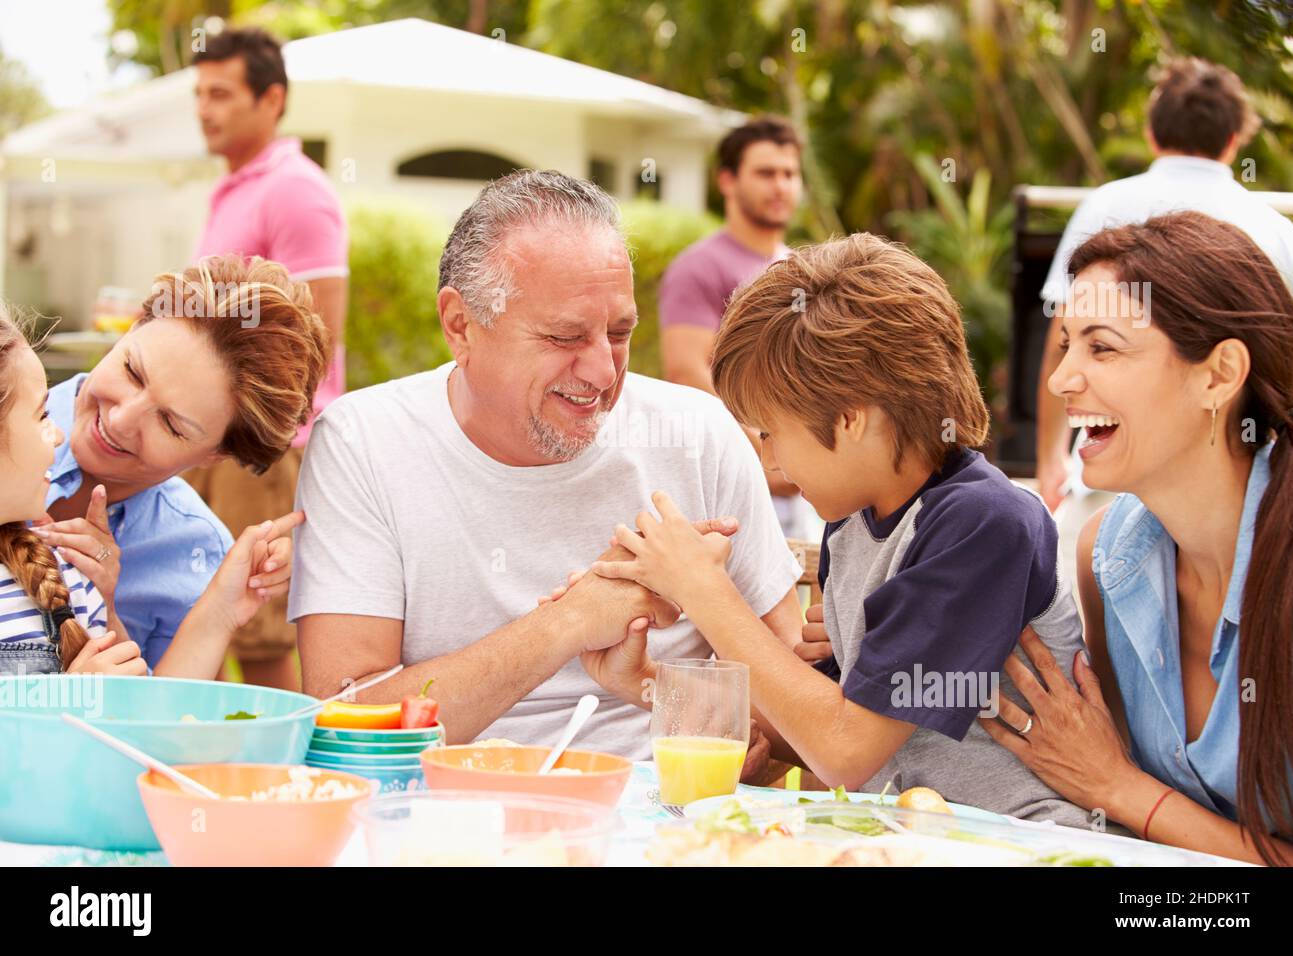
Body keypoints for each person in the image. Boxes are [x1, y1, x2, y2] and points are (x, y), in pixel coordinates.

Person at [290, 170, 804, 761]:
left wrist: (691, 630)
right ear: (461, 325)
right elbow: (347, 728)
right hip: (446, 817)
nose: (604, 373)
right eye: (565, 337)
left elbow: (801, 723)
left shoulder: (697, 432)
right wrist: (569, 621)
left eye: (619, 332)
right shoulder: (364, 442)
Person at [580, 232, 1090, 825]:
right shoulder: (854, 523)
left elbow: (845, 751)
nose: (769, 460)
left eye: (771, 431)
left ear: (849, 420)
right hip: (905, 836)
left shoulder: (984, 523)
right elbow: (813, 734)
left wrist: (705, 590)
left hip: (1024, 837)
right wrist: (640, 678)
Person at [984, 212, 1293, 865]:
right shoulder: (1106, 557)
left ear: (1218, 375)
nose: (1061, 379)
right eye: (1065, 343)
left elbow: (1116, 787)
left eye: (1101, 348)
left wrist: (1120, 789)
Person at [33, 255, 328, 676]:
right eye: (132, 371)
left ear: (215, 455)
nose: (120, 420)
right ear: (133, 328)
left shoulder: (191, 550)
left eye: (170, 424)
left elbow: (167, 728)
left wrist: (104, 611)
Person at [1034, 57, 1293, 514]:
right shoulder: (1278, 232)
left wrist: (1050, 459)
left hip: (1105, 482)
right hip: (1243, 489)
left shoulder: (1104, 207)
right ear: (1233, 142)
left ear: (1152, 135)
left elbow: (1062, 340)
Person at [186, 27, 349, 690]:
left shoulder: (295, 190)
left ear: (271, 98)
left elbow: (320, 331)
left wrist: (250, 429)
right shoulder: (234, 188)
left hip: (262, 442)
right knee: (202, 614)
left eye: (221, 93)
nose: (204, 108)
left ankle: (279, 784)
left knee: (257, 634)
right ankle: (220, 771)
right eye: (199, 93)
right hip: (212, 438)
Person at [658, 115, 818, 540]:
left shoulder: (801, 268)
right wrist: (767, 458)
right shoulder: (698, 267)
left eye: (789, 174)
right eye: (765, 173)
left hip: (809, 486)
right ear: (727, 181)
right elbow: (688, 373)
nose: (781, 186)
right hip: (736, 485)